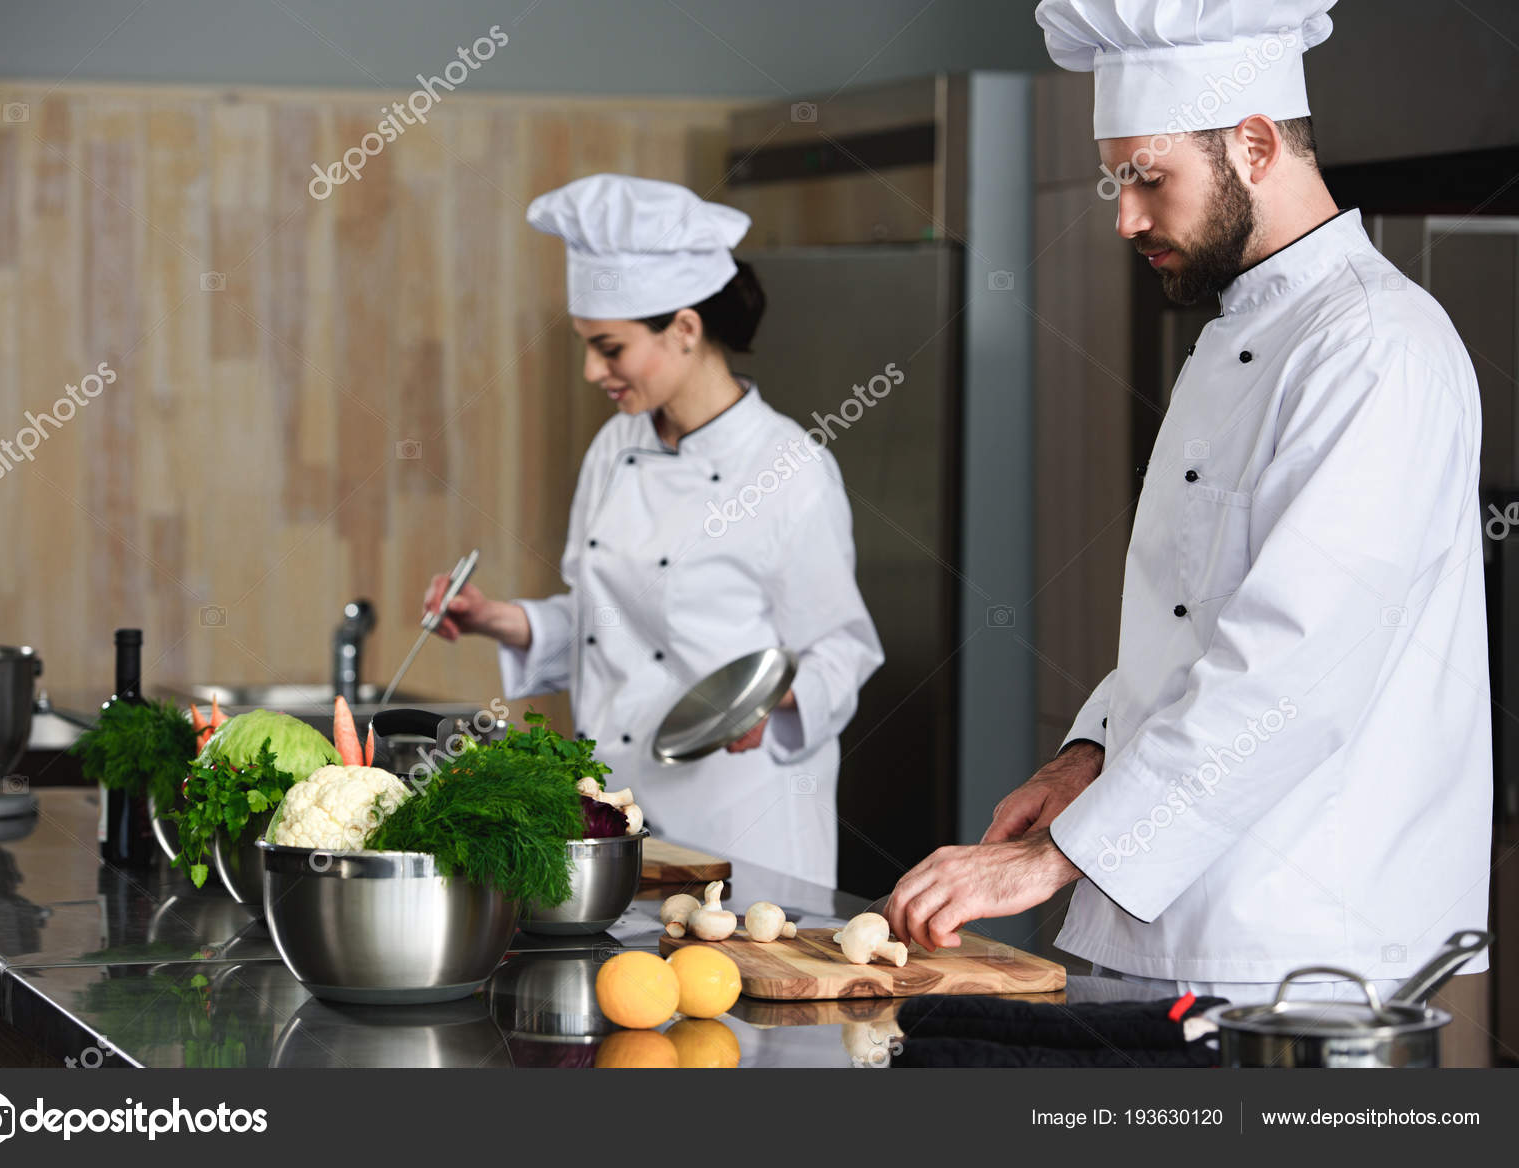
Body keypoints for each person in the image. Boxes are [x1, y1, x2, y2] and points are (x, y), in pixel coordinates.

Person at [885, 0, 1492, 1004]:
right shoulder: (1243, 335)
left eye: (1147, 180)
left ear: (1254, 143)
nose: (1123, 217)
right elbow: (1192, 622)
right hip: (1186, 925)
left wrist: (1055, 857)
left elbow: (1291, 664)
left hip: (1302, 949)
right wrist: (1090, 755)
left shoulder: (1374, 346)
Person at [422, 174, 883, 887]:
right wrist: (496, 619)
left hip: (739, 828)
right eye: (586, 346)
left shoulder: (788, 468)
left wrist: (773, 701)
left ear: (686, 330)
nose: (591, 371)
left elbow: (842, 651)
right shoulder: (615, 446)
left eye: (609, 348)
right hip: (617, 812)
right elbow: (604, 619)